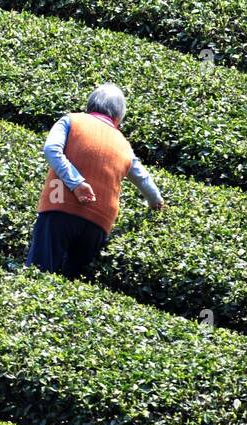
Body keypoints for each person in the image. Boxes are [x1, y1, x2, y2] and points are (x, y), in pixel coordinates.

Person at [25, 83, 166, 279]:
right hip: (98, 222)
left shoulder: (71, 121)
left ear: (90, 106)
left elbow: (51, 150)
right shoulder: (124, 145)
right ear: (118, 118)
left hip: (59, 206)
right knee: (71, 283)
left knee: (39, 273)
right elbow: (143, 179)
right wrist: (156, 202)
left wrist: (76, 183)